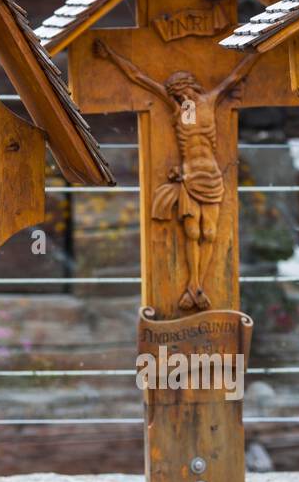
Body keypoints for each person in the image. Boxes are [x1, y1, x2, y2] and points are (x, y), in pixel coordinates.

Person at [93, 39, 260, 311]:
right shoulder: (176, 110)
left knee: (210, 232)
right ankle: (195, 286)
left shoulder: (210, 100)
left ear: (190, 88)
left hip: (212, 177)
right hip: (189, 178)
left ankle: (197, 287)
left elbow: (237, 74)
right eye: (177, 96)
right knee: (192, 231)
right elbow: (140, 78)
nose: (181, 100)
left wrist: (259, 47)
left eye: (182, 94)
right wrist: (111, 53)